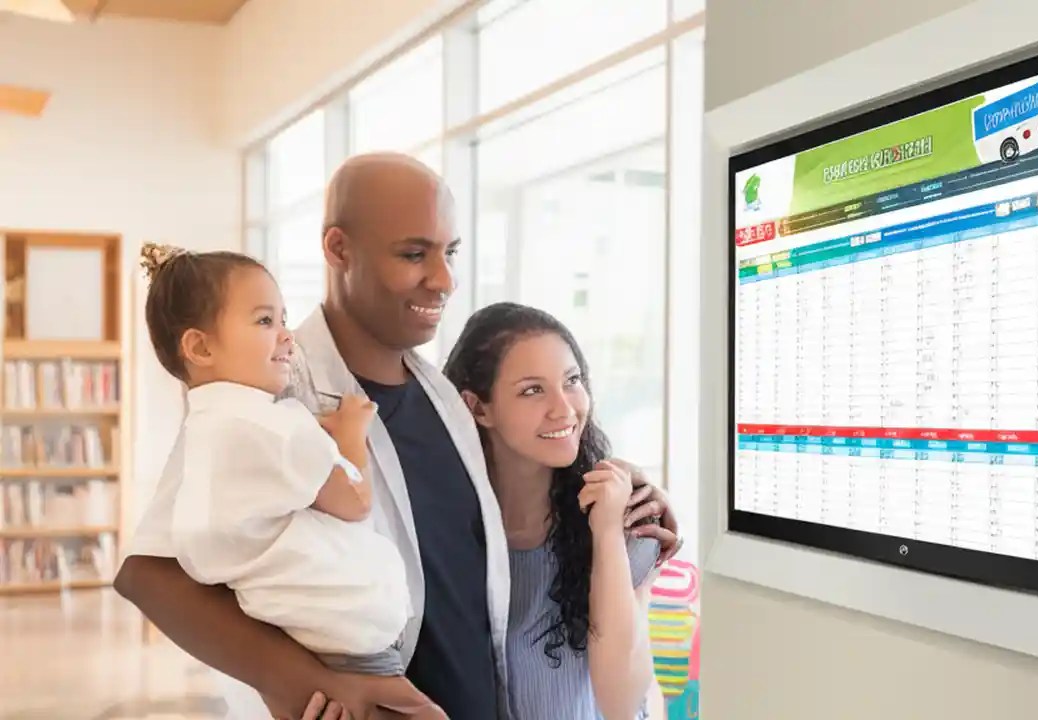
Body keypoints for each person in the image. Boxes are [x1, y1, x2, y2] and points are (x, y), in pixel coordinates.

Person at [113, 152, 681, 720]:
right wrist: (305, 683)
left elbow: (522, 450)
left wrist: (622, 481)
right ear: (339, 250)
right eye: (413, 254)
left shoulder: (443, 397)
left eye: (449, 253)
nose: (444, 280)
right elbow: (151, 574)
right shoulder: (268, 390)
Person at [135, 242, 421, 688]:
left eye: (284, 319)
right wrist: (351, 432)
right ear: (201, 347)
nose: (288, 336)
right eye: (265, 321)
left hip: (300, 636)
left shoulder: (206, 432)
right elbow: (355, 501)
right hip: (352, 643)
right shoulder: (273, 426)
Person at [443, 302, 660, 720]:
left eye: (571, 381)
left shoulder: (626, 516)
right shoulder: (445, 531)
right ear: (477, 408)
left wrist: (606, 533)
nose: (564, 408)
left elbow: (621, 704)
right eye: (532, 390)